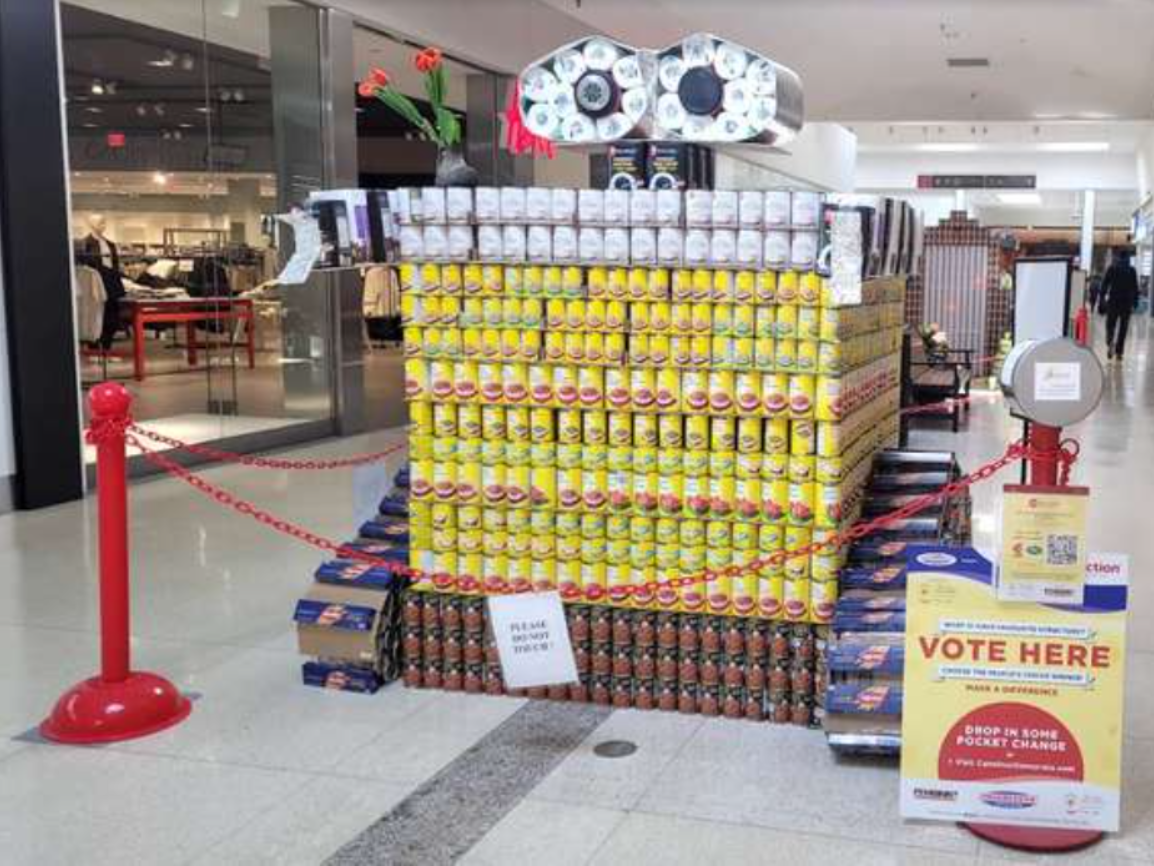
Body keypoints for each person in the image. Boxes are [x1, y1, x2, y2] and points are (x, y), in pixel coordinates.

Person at [1100, 249, 1139, 361]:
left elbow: (1105, 284)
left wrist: (1102, 298)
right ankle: (1119, 352)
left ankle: (1110, 341)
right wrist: (1135, 303)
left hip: (1113, 302)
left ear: (1118, 257)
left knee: (1110, 325)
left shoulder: (1112, 268)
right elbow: (1135, 288)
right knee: (1123, 328)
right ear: (1128, 258)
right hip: (1126, 304)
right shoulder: (1132, 270)